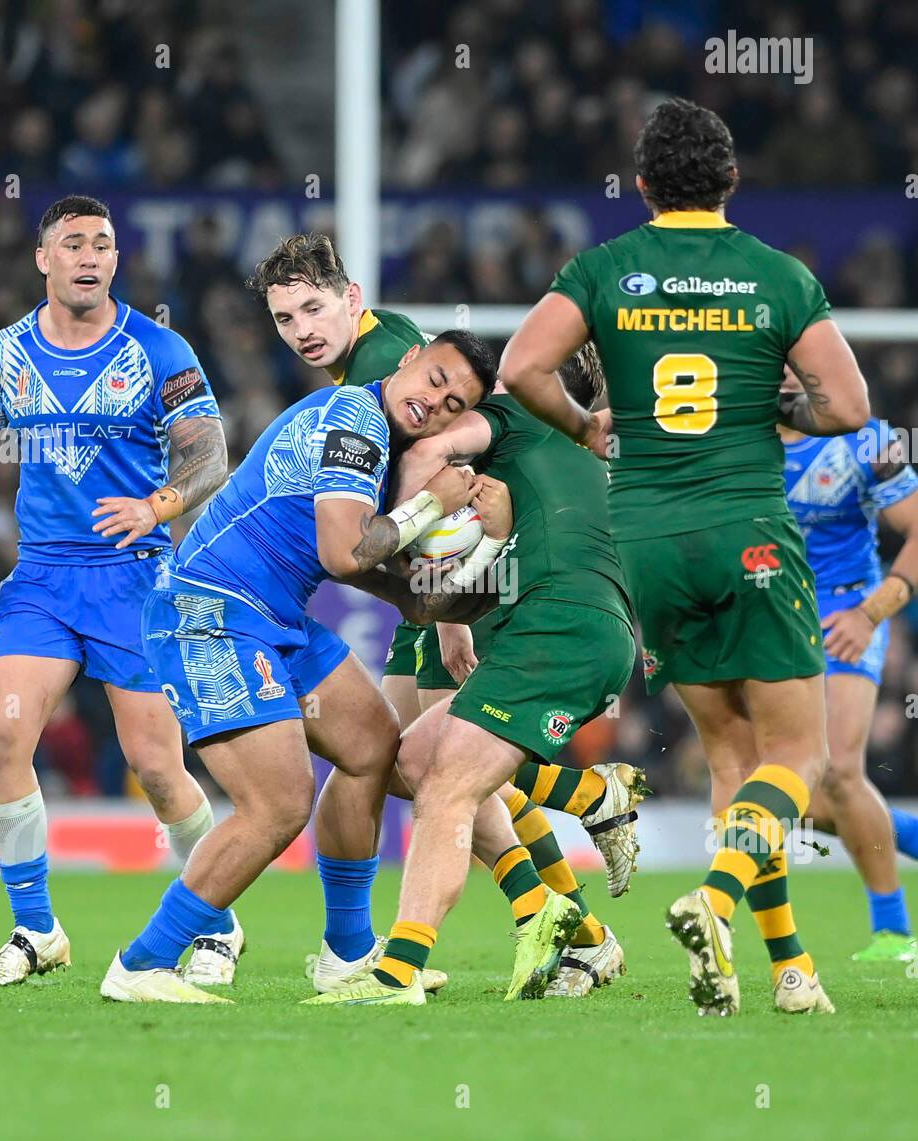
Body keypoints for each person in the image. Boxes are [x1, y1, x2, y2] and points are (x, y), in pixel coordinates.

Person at [500, 97, 871, 1017]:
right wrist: (783, 409)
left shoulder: (605, 269)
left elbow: (519, 368)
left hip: (648, 542)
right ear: (732, 181)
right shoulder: (775, 276)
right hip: (746, 527)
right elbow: (850, 407)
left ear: (641, 187)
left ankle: (787, 970)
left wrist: (588, 425)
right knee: (802, 756)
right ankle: (714, 898)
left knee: (731, 758)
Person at [250, 233, 645, 993]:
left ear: (352, 299)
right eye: (283, 317)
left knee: (448, 776)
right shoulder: (373, 367)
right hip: (465, 586)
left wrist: (445, 601)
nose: (301, 328)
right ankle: (575, 867)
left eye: (313, 307)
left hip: (473, 590)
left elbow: (431, 464)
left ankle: (427, 952)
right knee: (390, 759)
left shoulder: (390, 364)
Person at [99, 331, 502, 1004]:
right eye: (434, 379)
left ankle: (346, 954)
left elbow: (338, 552)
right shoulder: (355, 421)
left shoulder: (369, 429)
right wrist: (435, 502)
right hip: (211, 611)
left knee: (373, 746)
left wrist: (419, 601)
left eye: (453, 402)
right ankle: (142, 963)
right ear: (408, 360)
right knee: (277, 805)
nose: (435, 403)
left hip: (274, 615)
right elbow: (346, 555)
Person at [0, 195, 234, 988]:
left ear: (116, 260)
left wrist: (155, 506)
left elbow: (210, 459)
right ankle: (36, 929)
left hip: (134, 574)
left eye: (103, 245)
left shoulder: (159, 349)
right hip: (40, 578)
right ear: (43, 259)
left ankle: (220, 919)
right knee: (2, 739)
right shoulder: (2, 356)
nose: (89, 256)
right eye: (73, 243)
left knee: (156, 763)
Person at [778, 372, 918, 959]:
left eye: (800, 356)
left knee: (838, 771)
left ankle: (893, 931)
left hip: (846, 609)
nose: (788, 370)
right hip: (771, 615)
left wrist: (871, 614)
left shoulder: (866, 440)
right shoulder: (734, 439)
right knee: (790, 800)